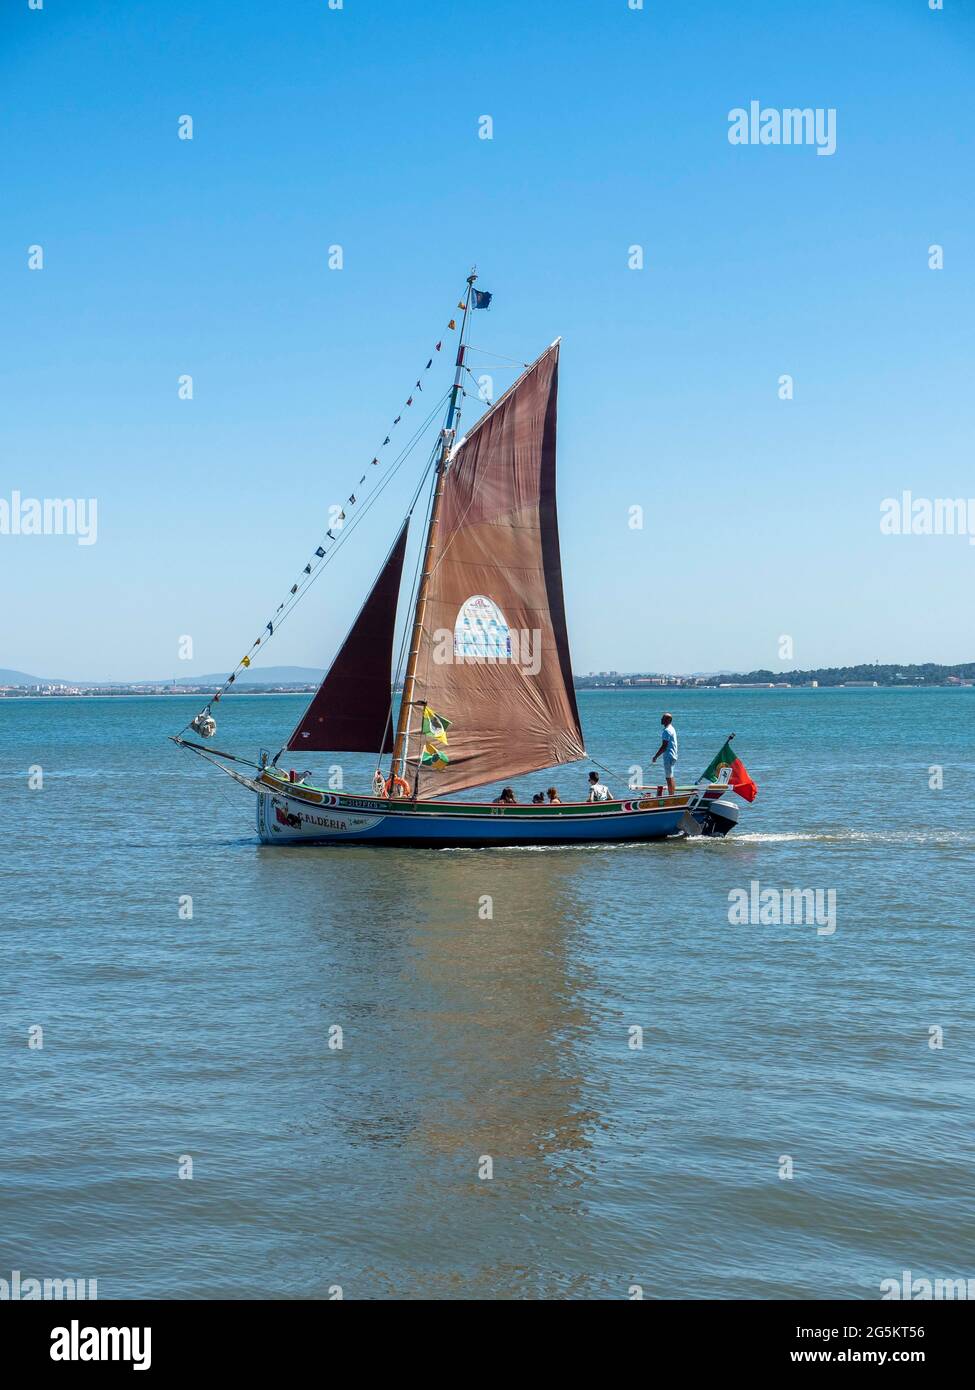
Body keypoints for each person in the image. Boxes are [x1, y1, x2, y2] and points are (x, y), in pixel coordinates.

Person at [651, 711, 678, 793]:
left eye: (663, 718)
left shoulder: (666, 731)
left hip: (669, 756)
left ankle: (671, 796)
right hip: (673, 755)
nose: (661, 719)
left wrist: (655, 756)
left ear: (668, 720)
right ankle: (672, 795)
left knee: (668, 777)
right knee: (670, 776)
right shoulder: (672, 728)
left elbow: (664, 746)